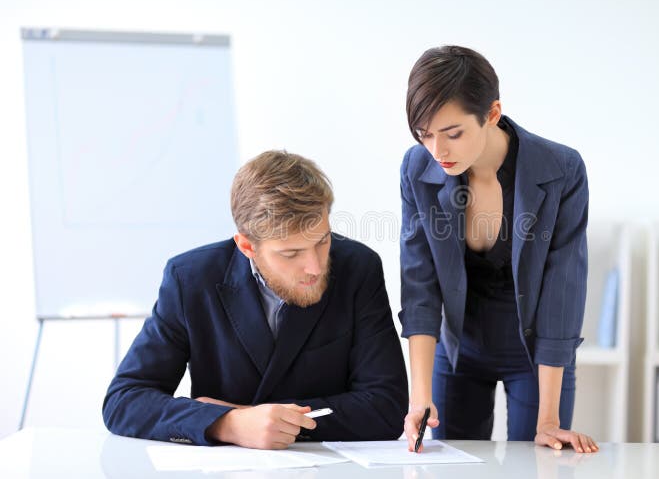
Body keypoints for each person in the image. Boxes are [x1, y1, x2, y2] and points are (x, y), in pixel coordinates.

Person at [103, 150, 407, 449]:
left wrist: (250, 417)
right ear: (247, 246)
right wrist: (229, 425)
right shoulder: (191, 278)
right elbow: (125, 400)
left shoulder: (359, 267)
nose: (315, 267)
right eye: (291, 253)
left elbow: (386, 407)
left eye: (322, 240)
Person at [399, 46, 598, 453]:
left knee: (539, 459)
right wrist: (419, 397)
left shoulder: (562, 169)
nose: (438, 151)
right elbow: (420, 282)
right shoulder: (417, 168)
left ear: (492, 113)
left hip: (535, 352)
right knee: (456, 462)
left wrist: (548, 420)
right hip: (457, 350)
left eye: (453, 133)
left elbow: (564, 290)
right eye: (425, 134)